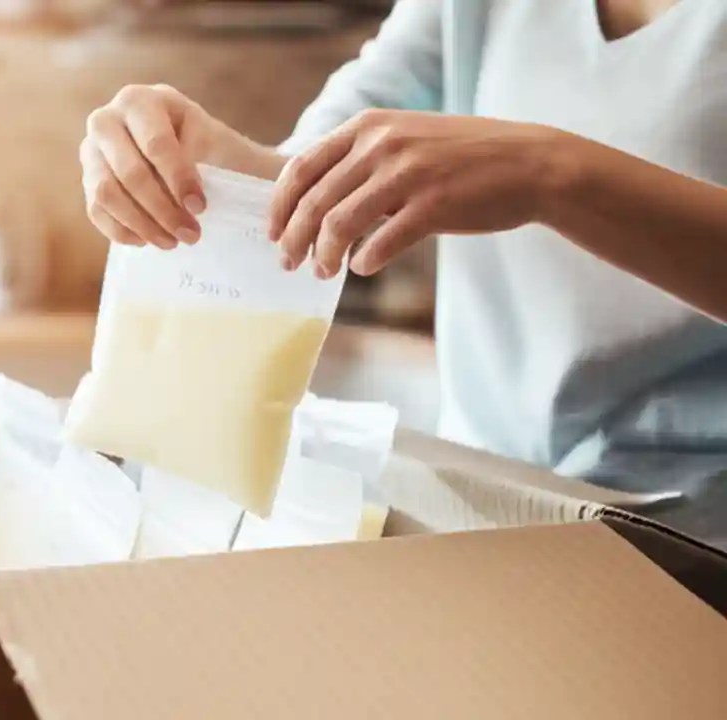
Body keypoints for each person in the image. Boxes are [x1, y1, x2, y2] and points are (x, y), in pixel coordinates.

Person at [77, 0, 727, 523]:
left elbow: (533, 165)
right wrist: (201, 171)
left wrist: (552, 174)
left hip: (699, 533)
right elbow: (321, 177)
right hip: (489, 506)